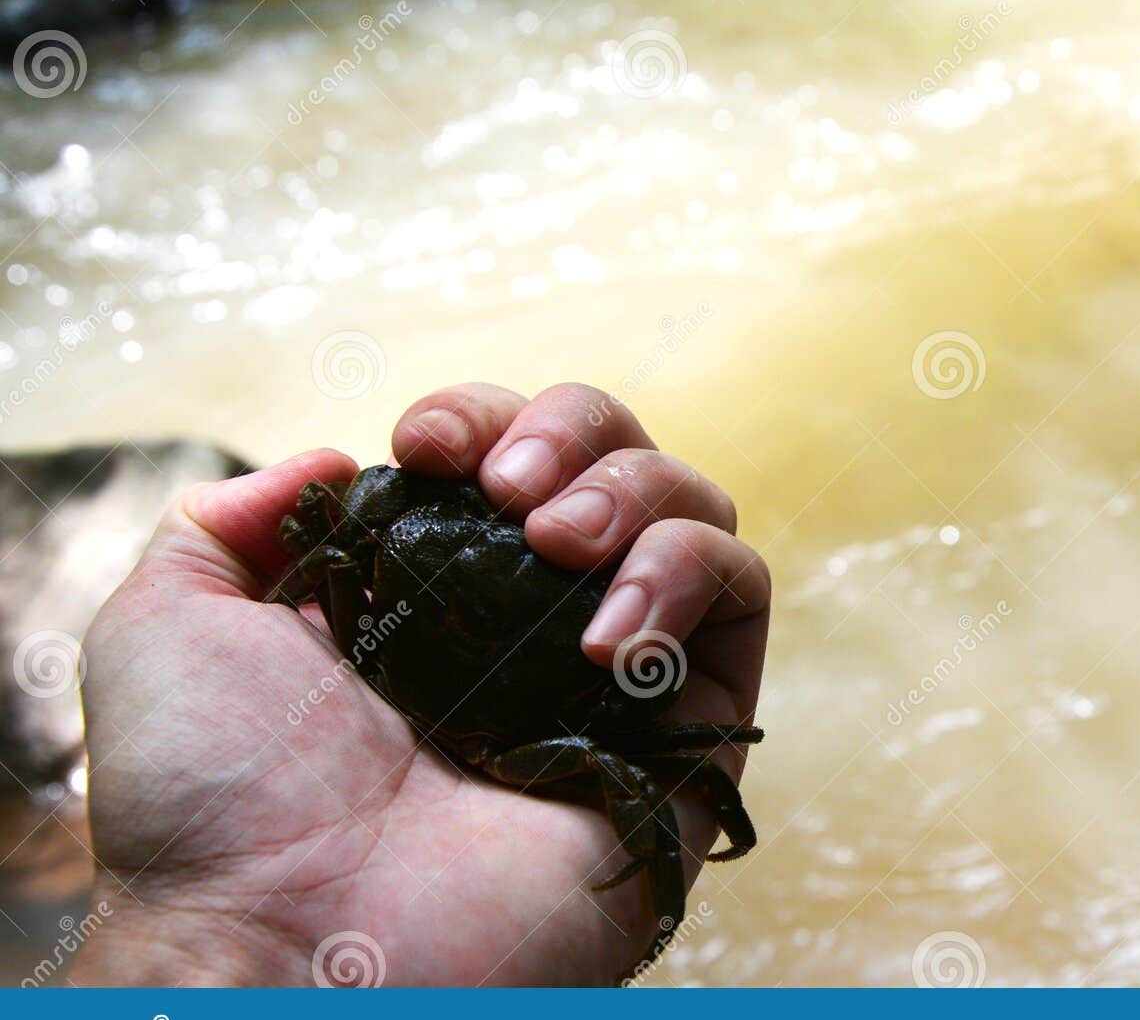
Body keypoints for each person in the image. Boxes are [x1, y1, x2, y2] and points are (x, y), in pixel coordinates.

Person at [69, 382, 771, 986]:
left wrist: (215, 940)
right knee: (613, 762)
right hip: (525, 746)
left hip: (483, 724)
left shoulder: (386, 544)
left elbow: (314, 520)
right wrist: (223, 925)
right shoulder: (581, 620)